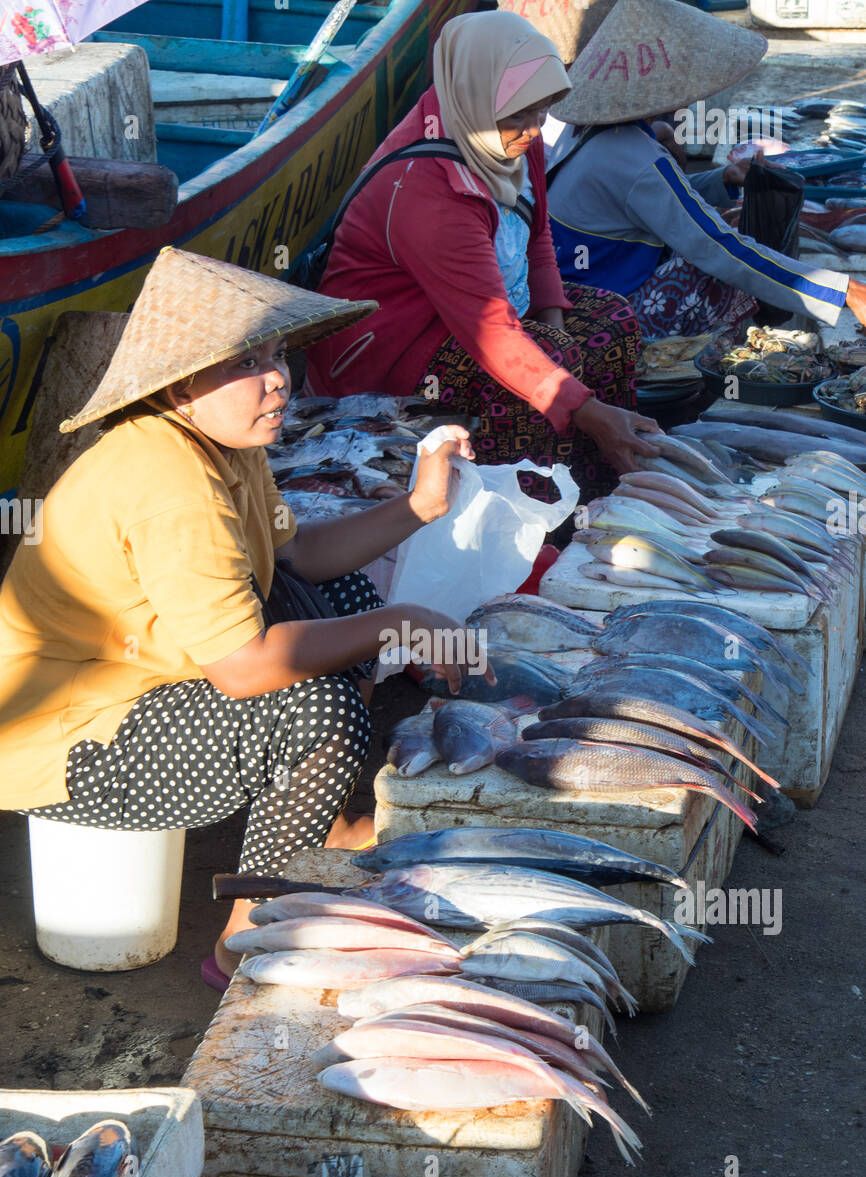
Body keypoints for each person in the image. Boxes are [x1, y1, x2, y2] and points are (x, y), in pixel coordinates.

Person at [0, 247, 484, 989]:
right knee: (320, 713)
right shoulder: (167, 478)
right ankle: (240, 938)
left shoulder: (223, 445)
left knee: (343, 601)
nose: (277, 378)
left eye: (277, 354)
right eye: (245, 362)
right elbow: (243, 667)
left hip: (139, 684)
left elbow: (298, 556)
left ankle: (307, 820)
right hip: (65, 747)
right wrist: (405, 620)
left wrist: (420, 506)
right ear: (178, 386)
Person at [305, 9, 662, 507]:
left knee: (609, 322)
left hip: (477, 309)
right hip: (397, 351)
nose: (534, 130)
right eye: (520, 114)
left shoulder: (506, 129)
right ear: (475, 96)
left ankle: (603, 489)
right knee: (547, 370)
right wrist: (583, 403)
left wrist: (555, 325)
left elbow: (537, 235)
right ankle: (531, 516)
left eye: (543, 112)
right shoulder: (428, 190)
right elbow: (490, 333)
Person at [545, 0, 866, 341]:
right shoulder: (635, 155)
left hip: (573, 291)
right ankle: (686, 370)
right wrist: (842, 291)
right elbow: (716, 247)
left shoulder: (585, 131)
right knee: (727, 266)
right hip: (603, 315)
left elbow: (646, 199)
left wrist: (722, 179)